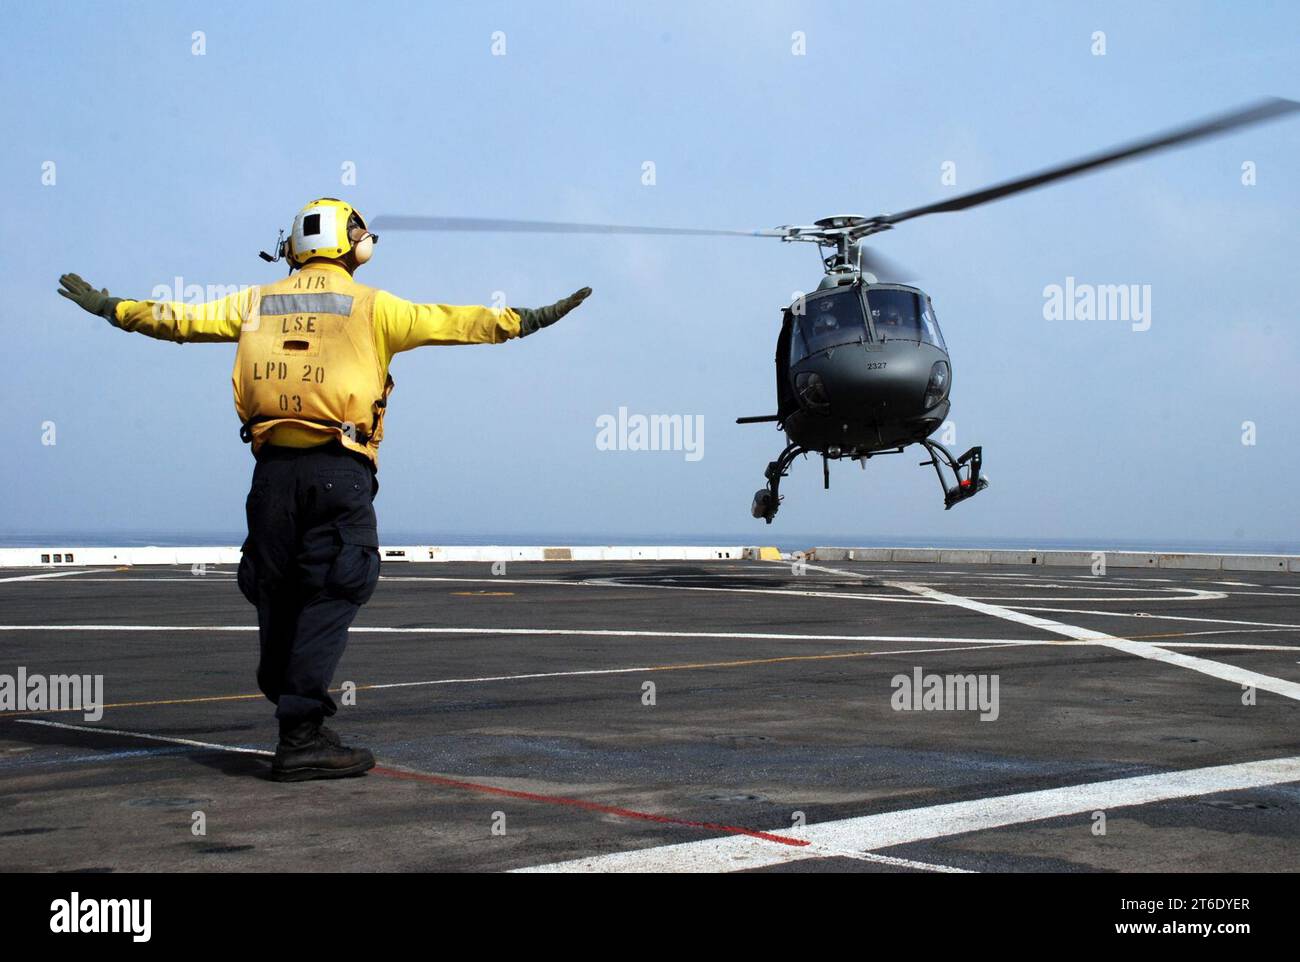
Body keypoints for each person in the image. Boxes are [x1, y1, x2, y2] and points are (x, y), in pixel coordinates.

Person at [57, 197, 591, 782]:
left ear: (293, 247)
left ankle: (285, 690)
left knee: (276, 586)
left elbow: (175, 320)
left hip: (272, 476)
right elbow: (461, 321)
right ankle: (302, 735)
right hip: (339, 471)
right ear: (353, 243)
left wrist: (110, 307)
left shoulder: (255, 302)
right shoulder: (374, 307)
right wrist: (529, 318)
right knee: (334, 588)